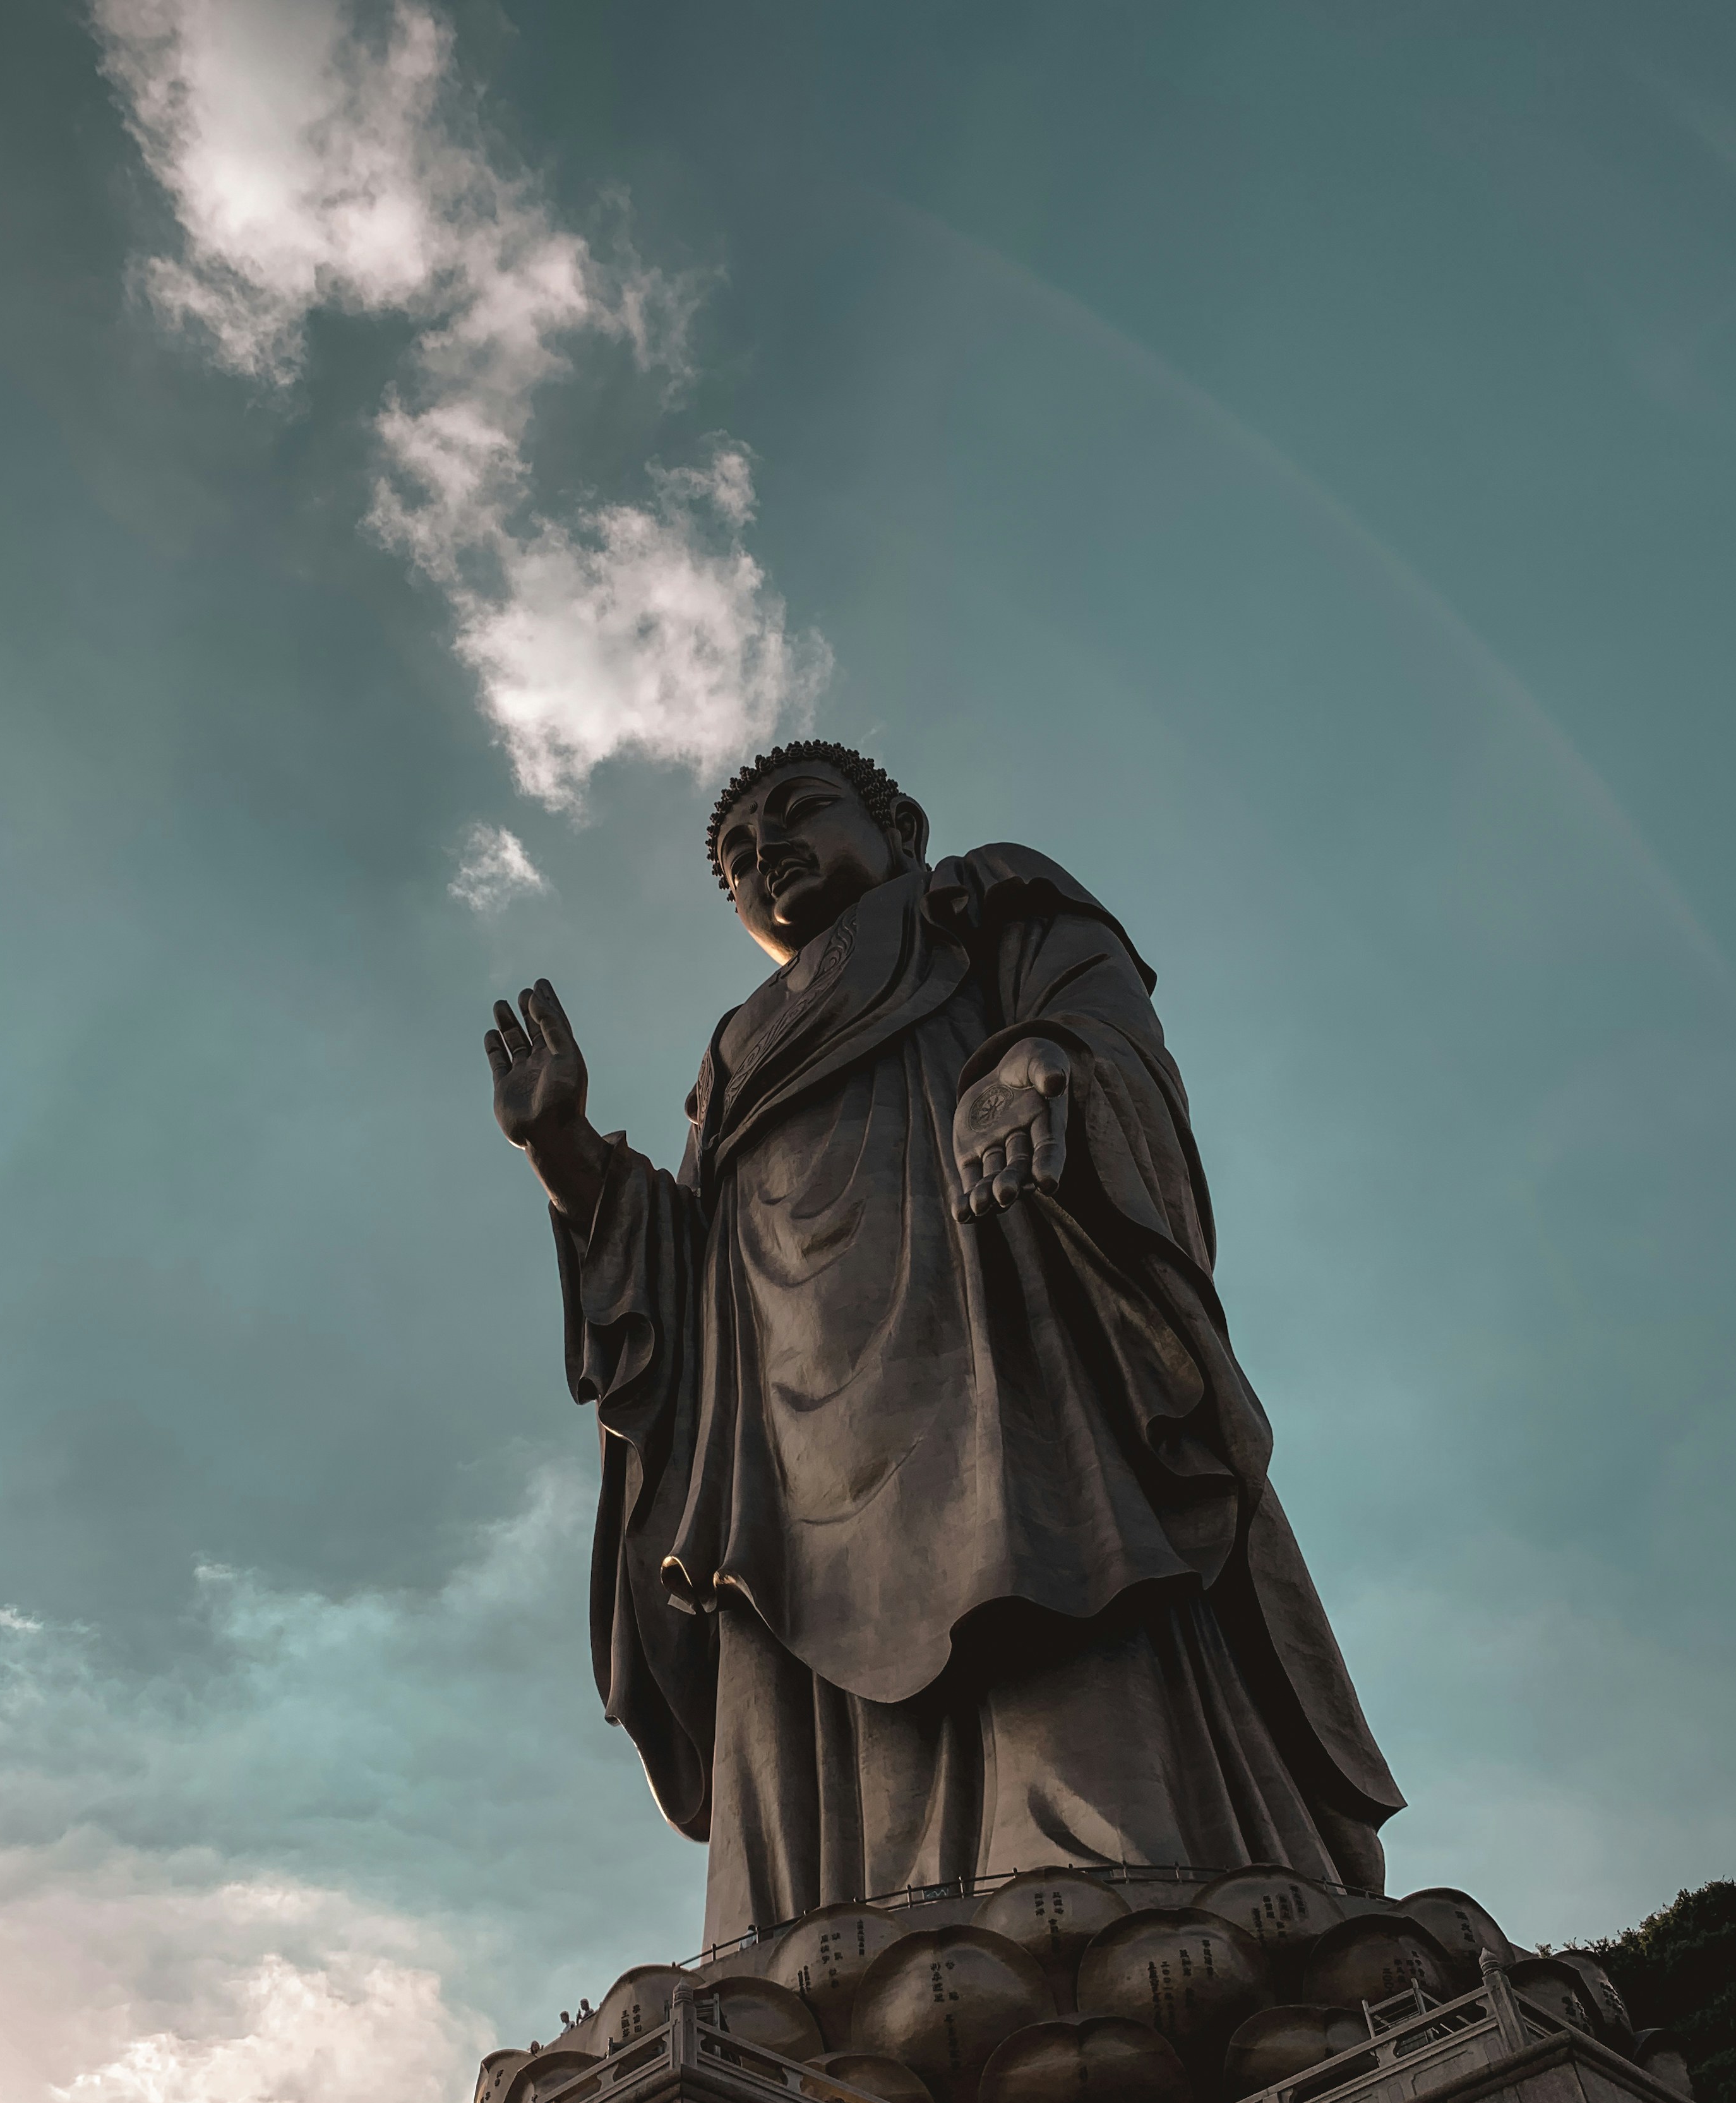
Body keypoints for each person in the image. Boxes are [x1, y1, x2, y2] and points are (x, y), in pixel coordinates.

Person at [485, 741, 1402, 1948]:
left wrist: (1036, 1063)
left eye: (795, 816)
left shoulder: (975, 895)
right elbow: (686, 1264)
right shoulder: (731, 1049)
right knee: (783, 1656)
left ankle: (1103, 1878)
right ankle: (815, 1932)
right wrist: (565, 1153)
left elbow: (1098, 1018)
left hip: (987, 1327)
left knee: (1038, 1572)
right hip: (780, 1423)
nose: (768, 860)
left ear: (899, 824)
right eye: (740, 861)